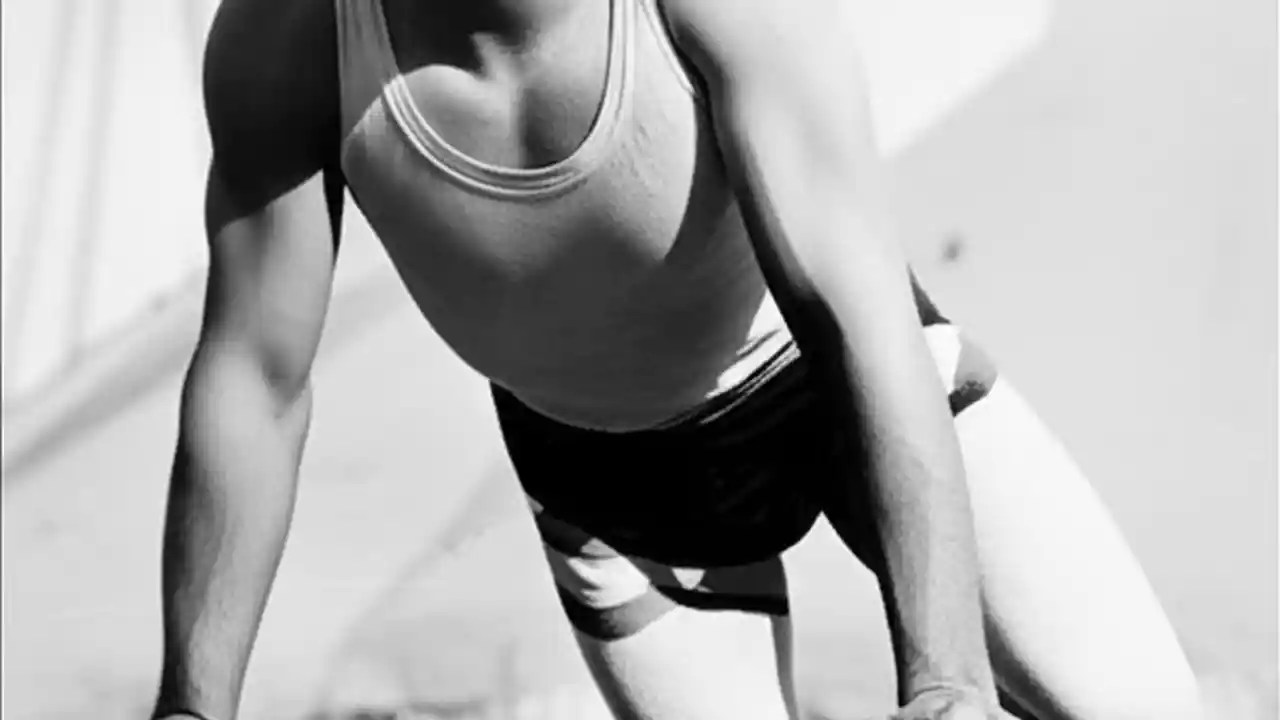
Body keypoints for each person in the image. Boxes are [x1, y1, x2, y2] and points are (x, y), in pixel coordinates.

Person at [151, 0, 1207, 718]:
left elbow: (856, 320)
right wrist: (192, 705)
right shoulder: (287, 36)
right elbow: (254, 378)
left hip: (853, 390)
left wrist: (944, 679)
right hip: (614, 502)